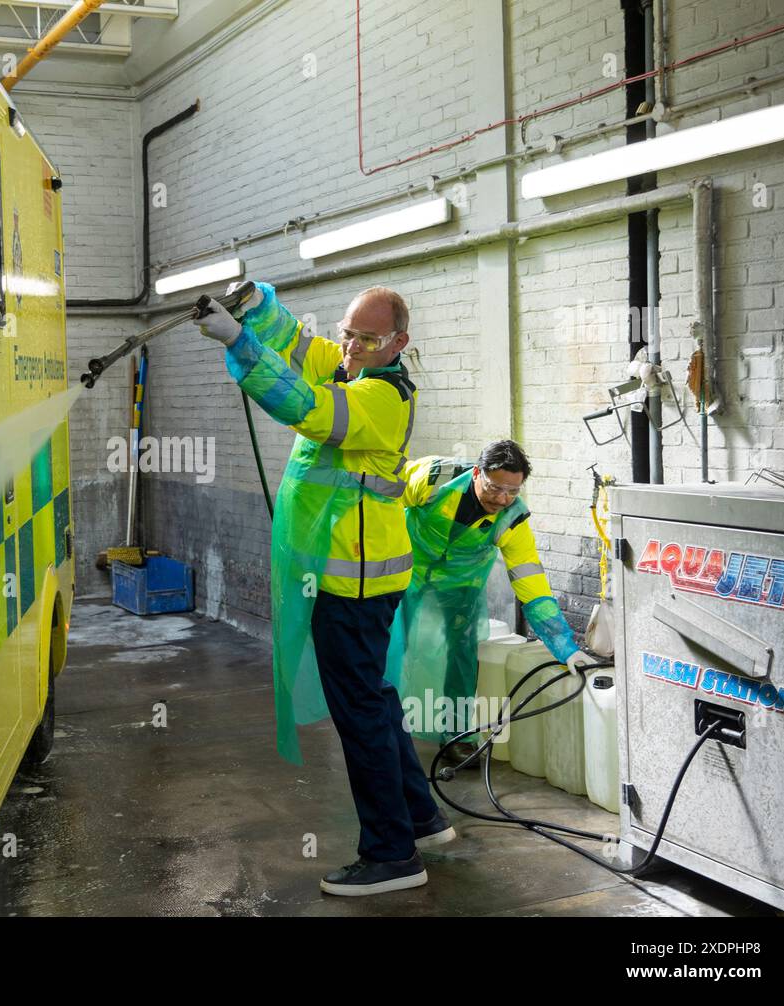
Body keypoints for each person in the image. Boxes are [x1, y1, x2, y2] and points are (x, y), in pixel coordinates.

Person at [197, 281, 454, 897]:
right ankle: (421, 820)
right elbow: (298, 345)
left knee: (359, 710)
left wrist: (238, 344)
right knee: (374, 697)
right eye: (349, 332)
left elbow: (304, 407)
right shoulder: (348, 363)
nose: (352, 347)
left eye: (368, 339)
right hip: (353, 571)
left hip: (354, 579)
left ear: (399, 343)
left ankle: (392, 855)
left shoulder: (380, 397)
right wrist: (255, 305)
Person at [387, 441, 597, 764]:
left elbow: (532, 585)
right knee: (389, 645)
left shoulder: (512, 518)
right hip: (404, 571)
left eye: (512, 491)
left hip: (459, 588)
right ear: (477, 473)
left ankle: (457, 736)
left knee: (461, 654)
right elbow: (381, 498)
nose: (502, 499)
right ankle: (383, 728)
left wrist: (565, 647)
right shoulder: (433, 477)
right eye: (496, 487)